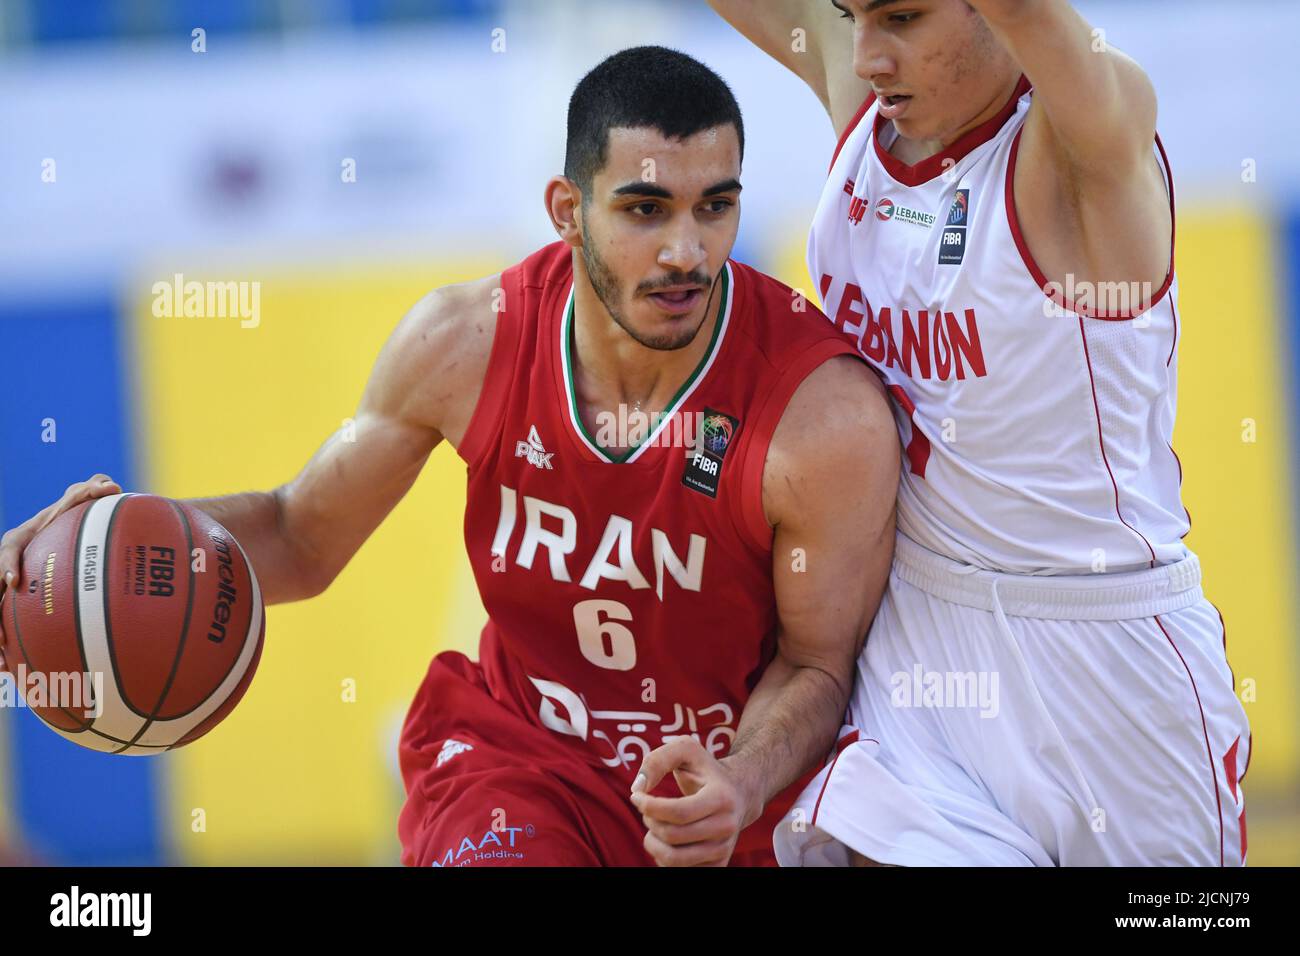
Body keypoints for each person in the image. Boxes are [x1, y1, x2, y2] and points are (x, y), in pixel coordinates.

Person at [0, 46, 898, 867]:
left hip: (727, 793)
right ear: (566, 212)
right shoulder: (462, 344)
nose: (685, 251)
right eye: (644, 209)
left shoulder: (818, 420)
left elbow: (818, 668)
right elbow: (297, 536)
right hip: (522, 761)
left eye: (716, 207)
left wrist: (741, 781)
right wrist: (109, 549)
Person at [708, 0, 1250, 865]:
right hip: (921, 640)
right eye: (855, 17)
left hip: (1102, 665)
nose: (870, 53)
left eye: (904, 19)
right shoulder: (870, 100)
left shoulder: (1084, 146)